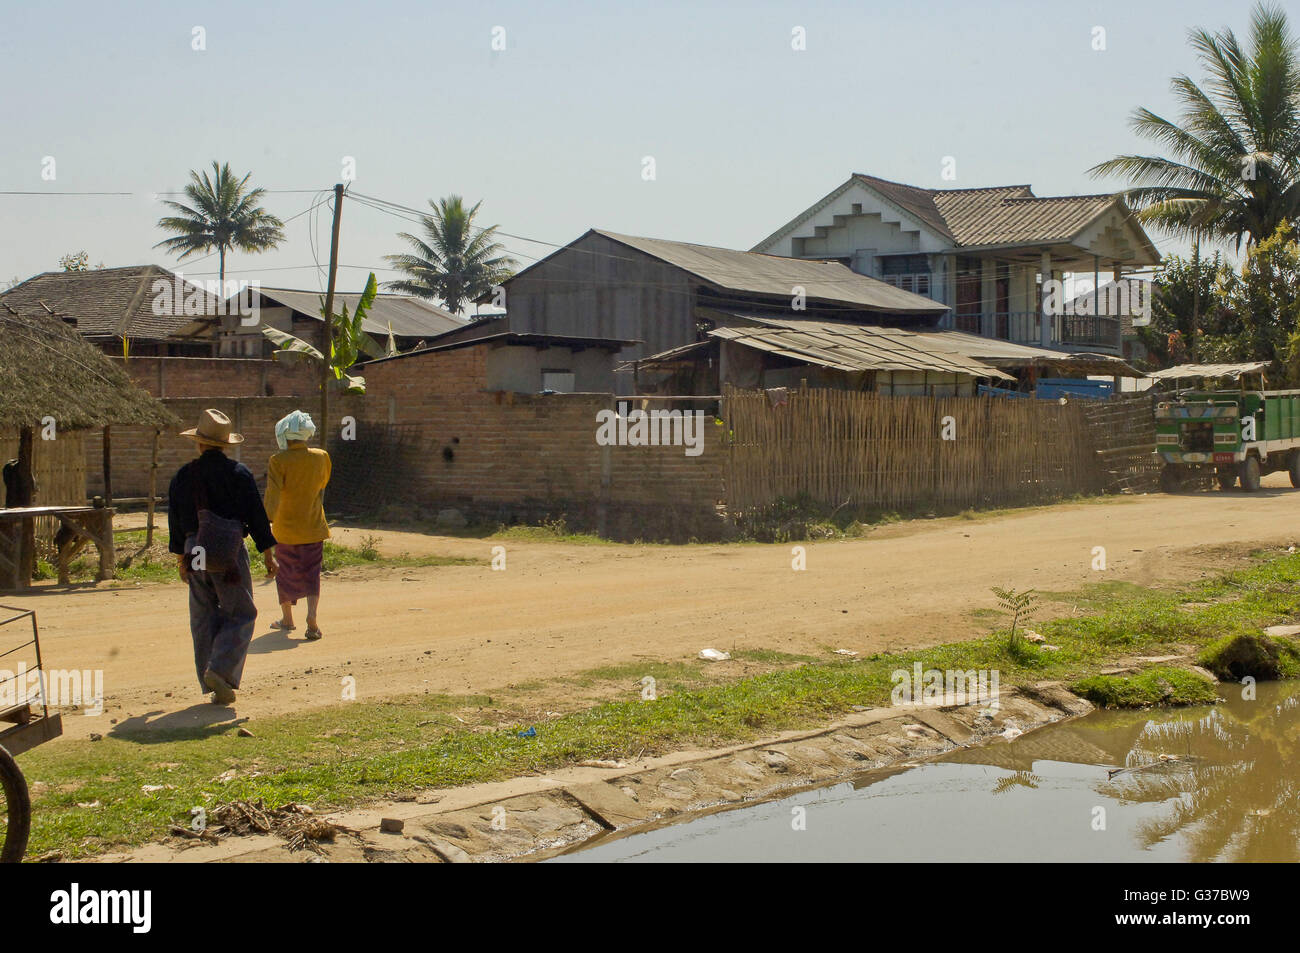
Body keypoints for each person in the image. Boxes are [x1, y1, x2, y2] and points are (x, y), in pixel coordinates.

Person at [168, 409, 277, 705]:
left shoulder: (182, 476)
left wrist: (180, 556)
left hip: (195, 551)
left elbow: (175, 520)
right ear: (225, 444)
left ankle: (211, 682)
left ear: (199, 443)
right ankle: (219, 669)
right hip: (228, 553)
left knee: (203, 616)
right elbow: (256, 515)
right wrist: (268, 552)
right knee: (242, 613)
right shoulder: (239, 474)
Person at [264, 410, 332, 641]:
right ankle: (312, 619)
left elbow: (272, 495)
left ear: (284, 435)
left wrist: (266, 520)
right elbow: (323, 482)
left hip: (285, 529)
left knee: (284, 572)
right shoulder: (321, 456)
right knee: (312, 572)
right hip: (313, 526)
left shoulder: (277, 461)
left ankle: (287, 619)